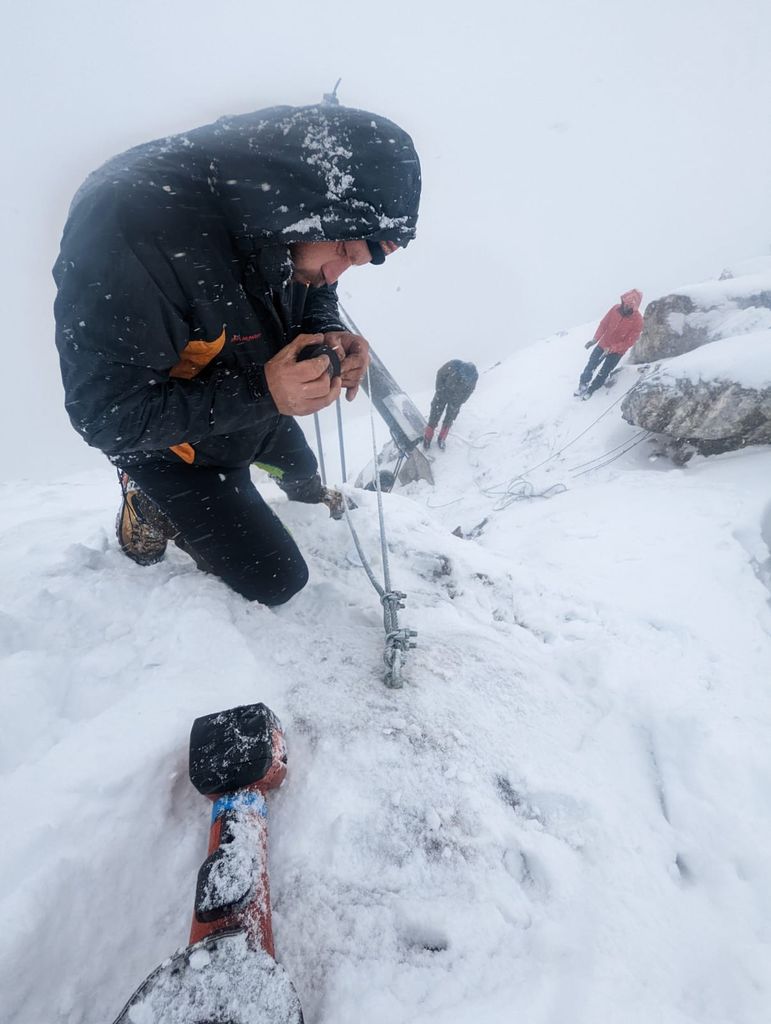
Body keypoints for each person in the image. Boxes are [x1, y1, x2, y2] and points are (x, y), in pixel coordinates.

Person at [53, 103, 421, 605]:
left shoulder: (280, 213)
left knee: (303, 474)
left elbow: (310, 284)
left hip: (254, 396)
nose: (337, 274)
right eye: (344, 254)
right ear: (313, 211)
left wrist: (326, 329)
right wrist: (263, 390)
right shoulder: (130, 226)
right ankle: (148, 498)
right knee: (275, 580)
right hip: (170, 441)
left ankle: (292, 480)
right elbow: (105, 414)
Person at [575, 289, 644, 398]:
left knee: (604, 371)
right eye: (626, 303)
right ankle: (583, 385)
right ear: (623, 300)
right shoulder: (615, 309)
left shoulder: (638, 321)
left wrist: (613, 348)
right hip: (603, 344)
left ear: (635, 307)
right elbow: (604, 324)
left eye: (630, 305)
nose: (626, 307)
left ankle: (592, 389)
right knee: (591, 365)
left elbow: (629, 342)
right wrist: (595, 339)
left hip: (617, 352)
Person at [423, 360, 478, 450]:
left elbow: (470, 390)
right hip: (443, 392)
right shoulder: (453, 365)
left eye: (465, 379)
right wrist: (440, 390)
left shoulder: (474, 377)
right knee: (435, 414)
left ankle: (442, 438)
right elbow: (440, 373)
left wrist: (461, 401)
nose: (463, 379)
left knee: (450, 418)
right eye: (462, 376)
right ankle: (428, 437)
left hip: (456, 398)